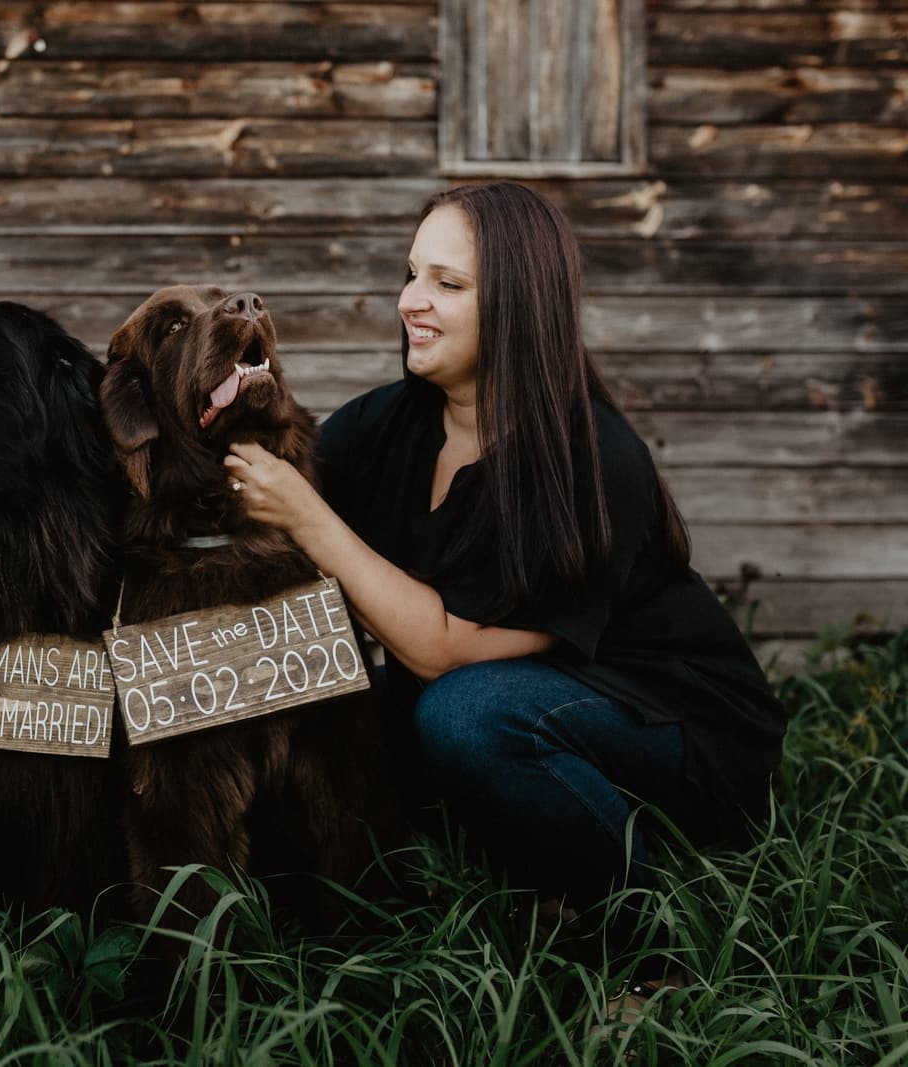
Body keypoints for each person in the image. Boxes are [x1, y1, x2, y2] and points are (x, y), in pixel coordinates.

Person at [224, 182, 786, 1012]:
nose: (412, 301)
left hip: (676, 733)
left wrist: (309, 517)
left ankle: (648, 941)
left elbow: (442, 651)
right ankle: (356, 917)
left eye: (449, 285)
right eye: (413, 273)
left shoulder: (591, 461)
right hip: (528, 708)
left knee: (463, 716)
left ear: (520, 305)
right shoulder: (389, 427)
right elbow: (252, 478)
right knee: (333, 706)